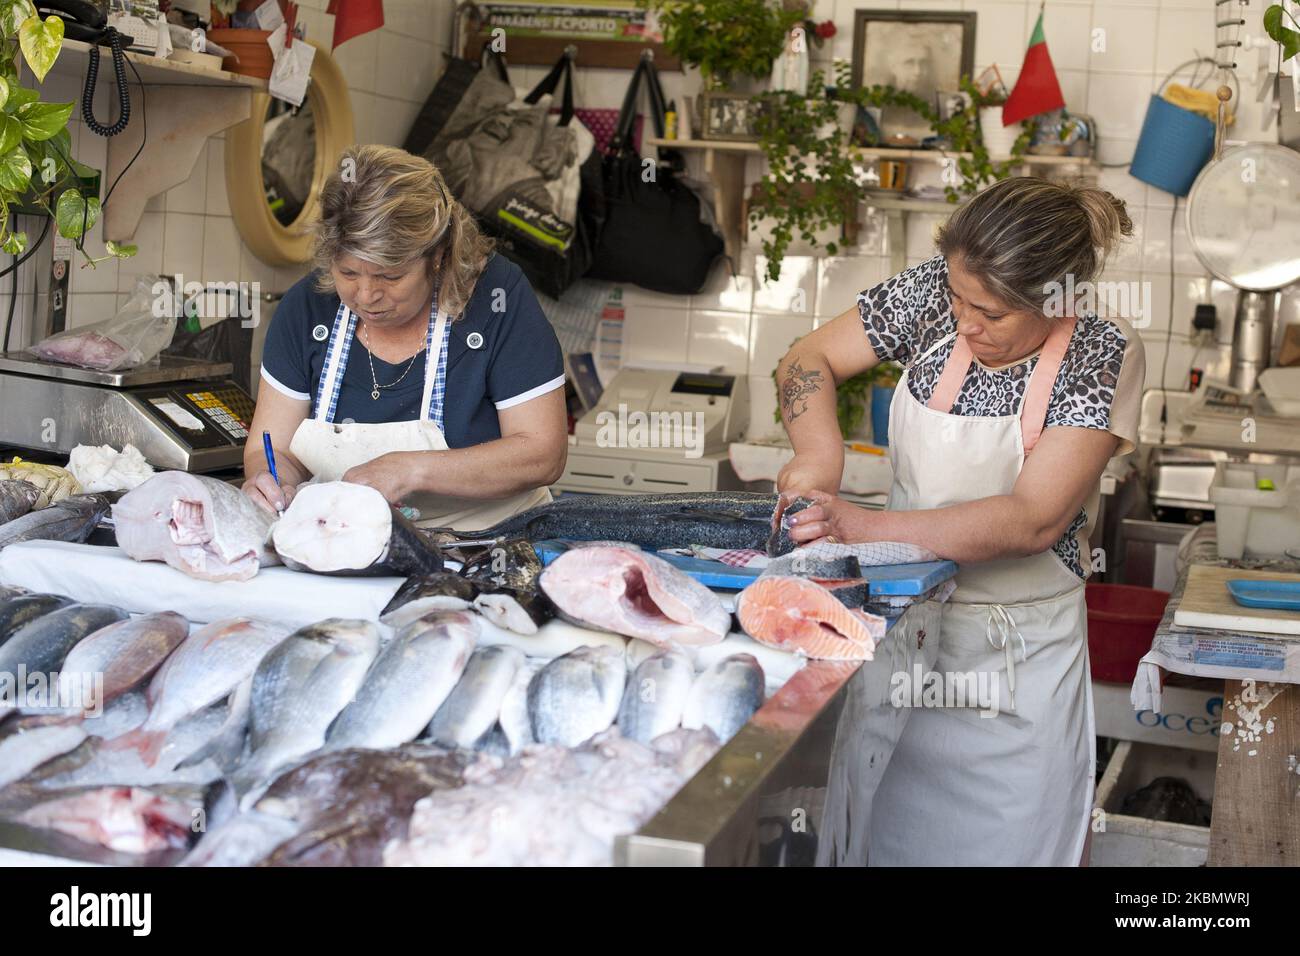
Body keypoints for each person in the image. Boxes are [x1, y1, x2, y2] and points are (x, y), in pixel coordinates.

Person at [774, 177, 1145, 866]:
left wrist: (862, 528)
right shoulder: (940, 291)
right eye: (957, 300)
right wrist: (819, 454)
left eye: (992, 314)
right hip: (901, 638)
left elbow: (1030, 521)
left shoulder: (1100, 349)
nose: (965, 325)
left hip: (1016, 666)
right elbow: (808, 358)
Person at [243, 145, 568, 530]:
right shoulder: (307, 306)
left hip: (490, 540)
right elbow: (272, 448)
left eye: (390, 276)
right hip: (348, 541)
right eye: (348, 273)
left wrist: (411, 470)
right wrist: (272, 482)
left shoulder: (496, 298)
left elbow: (542, 454)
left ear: (437, 255)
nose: (366, 296)